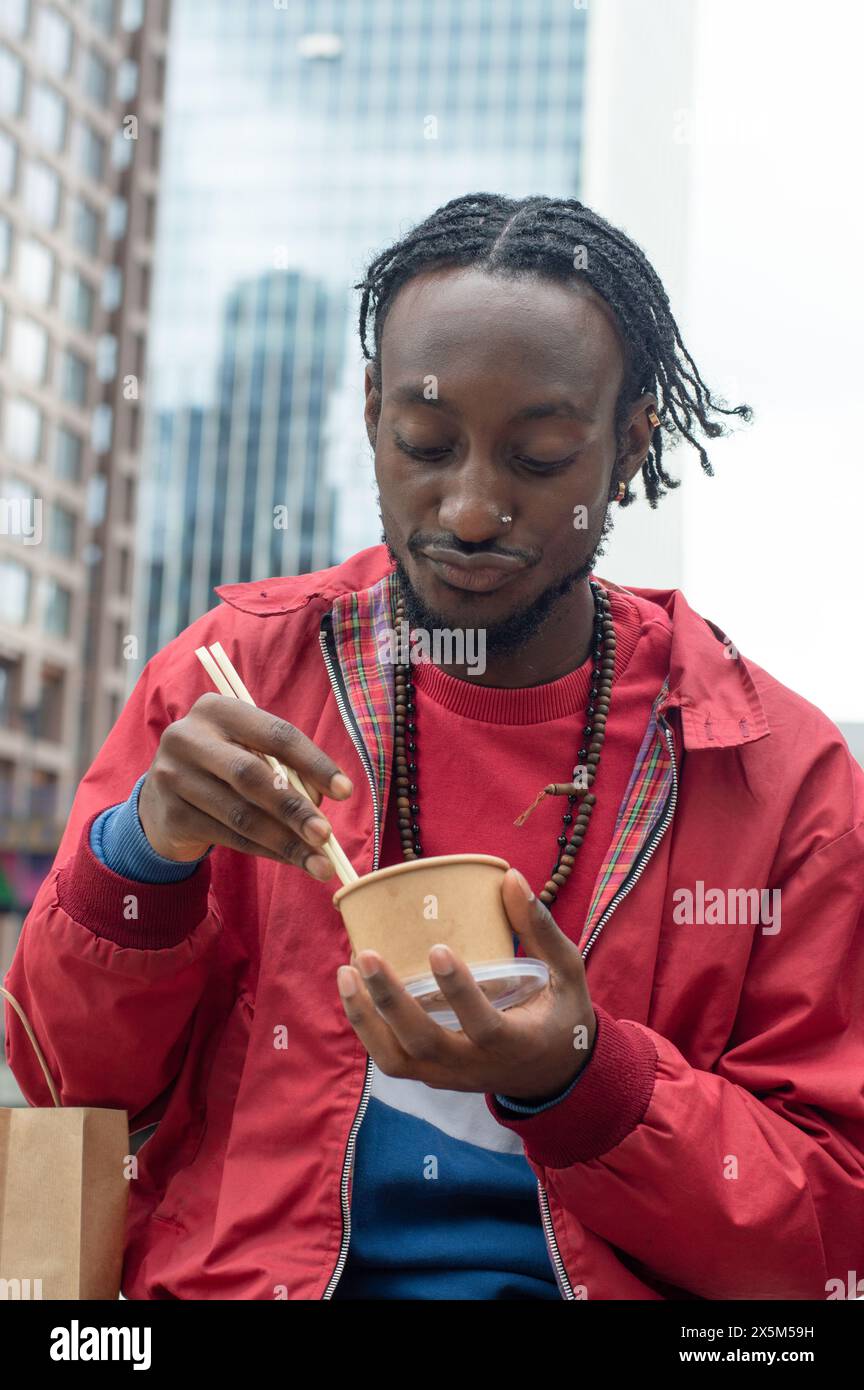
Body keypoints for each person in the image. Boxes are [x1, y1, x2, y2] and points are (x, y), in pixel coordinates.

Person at [5, 193, 863, 1300]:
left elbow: (828, 1238)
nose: (468, 508)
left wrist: (581, 1078)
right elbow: (68, 1085)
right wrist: (145, 856)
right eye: (425, 443)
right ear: (370, 415)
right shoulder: (235, 679)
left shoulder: (773, 770)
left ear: (630, 442)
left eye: (541, 457)